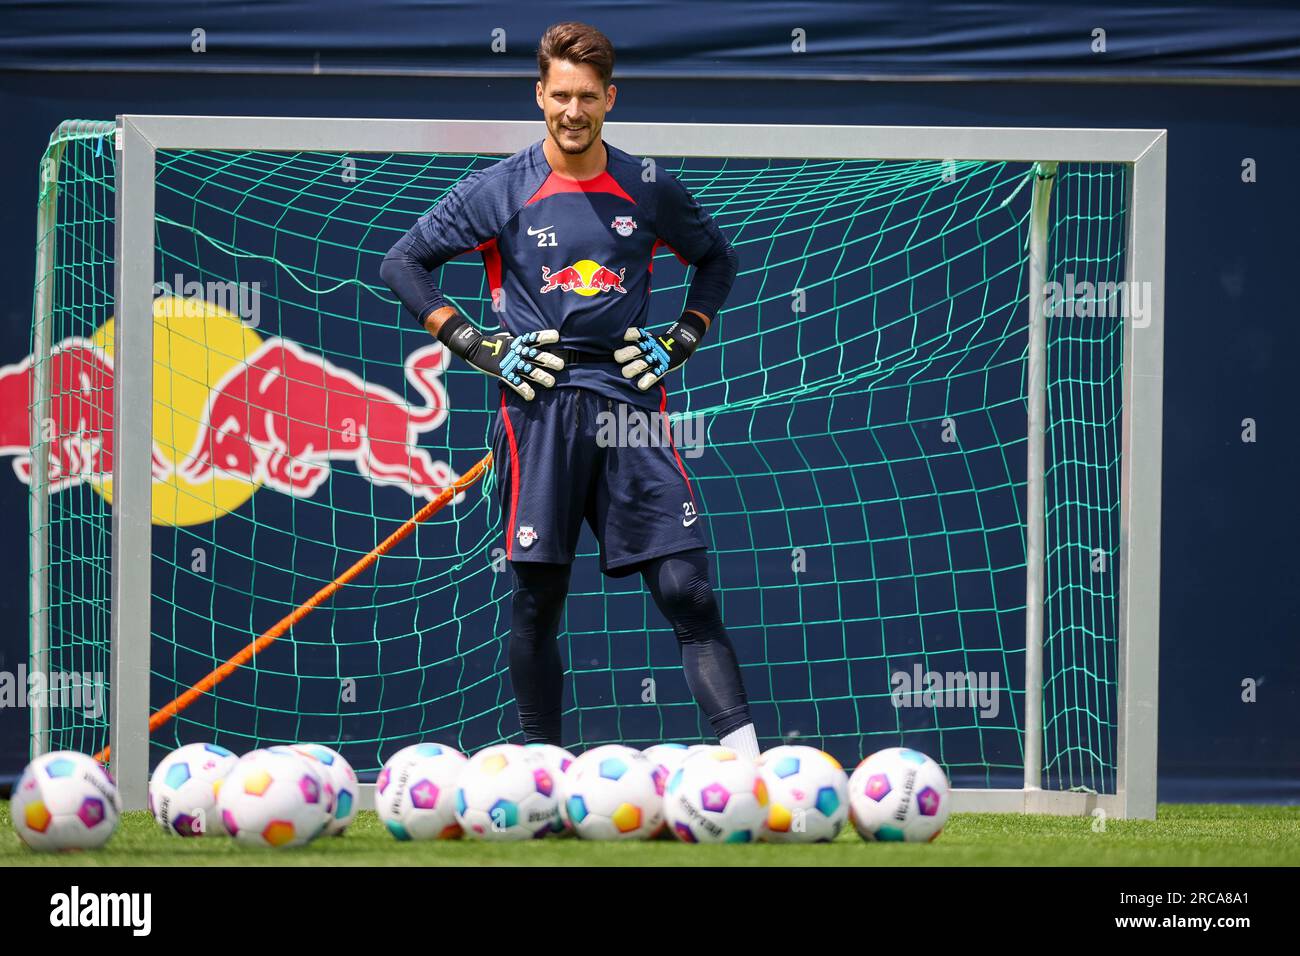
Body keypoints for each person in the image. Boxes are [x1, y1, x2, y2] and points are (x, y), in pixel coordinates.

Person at [379, 21, 758, 759]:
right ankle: (541, 769)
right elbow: (404, 262)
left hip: (629, 409)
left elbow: (716, 260)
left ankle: (747, 766)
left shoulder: (646, 186)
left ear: (609, 99)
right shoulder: (502, 188)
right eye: (560, 96)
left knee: (688, 591)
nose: (573, 111)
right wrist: (473, 343)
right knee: (536, 603)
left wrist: (684, 337)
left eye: (588, 96)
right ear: (540, 96)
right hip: (538, 410)